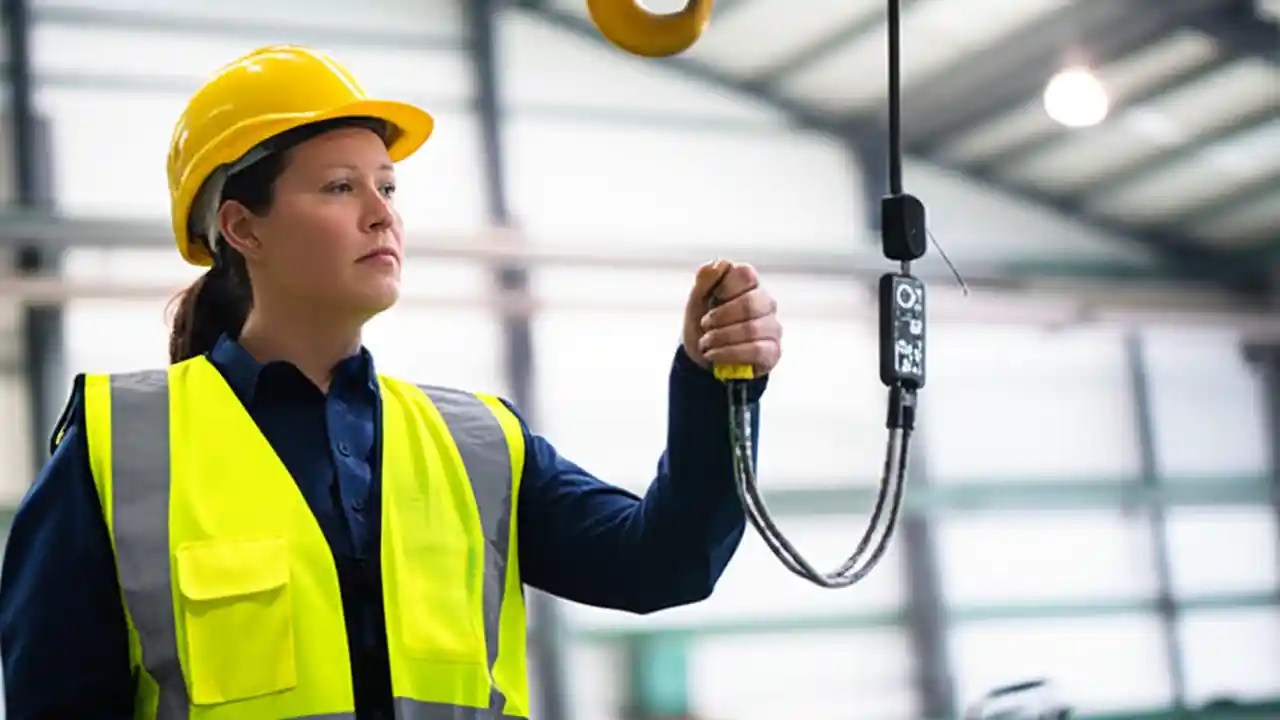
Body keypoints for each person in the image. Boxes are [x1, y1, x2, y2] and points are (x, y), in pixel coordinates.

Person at [0, 45, 783, 719]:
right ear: (243, 227)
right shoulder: (121, 449)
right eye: (341, 187)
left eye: (389, 187)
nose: (383, 215)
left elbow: (666, 565)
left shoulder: (478, 445)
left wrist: (716, 386)